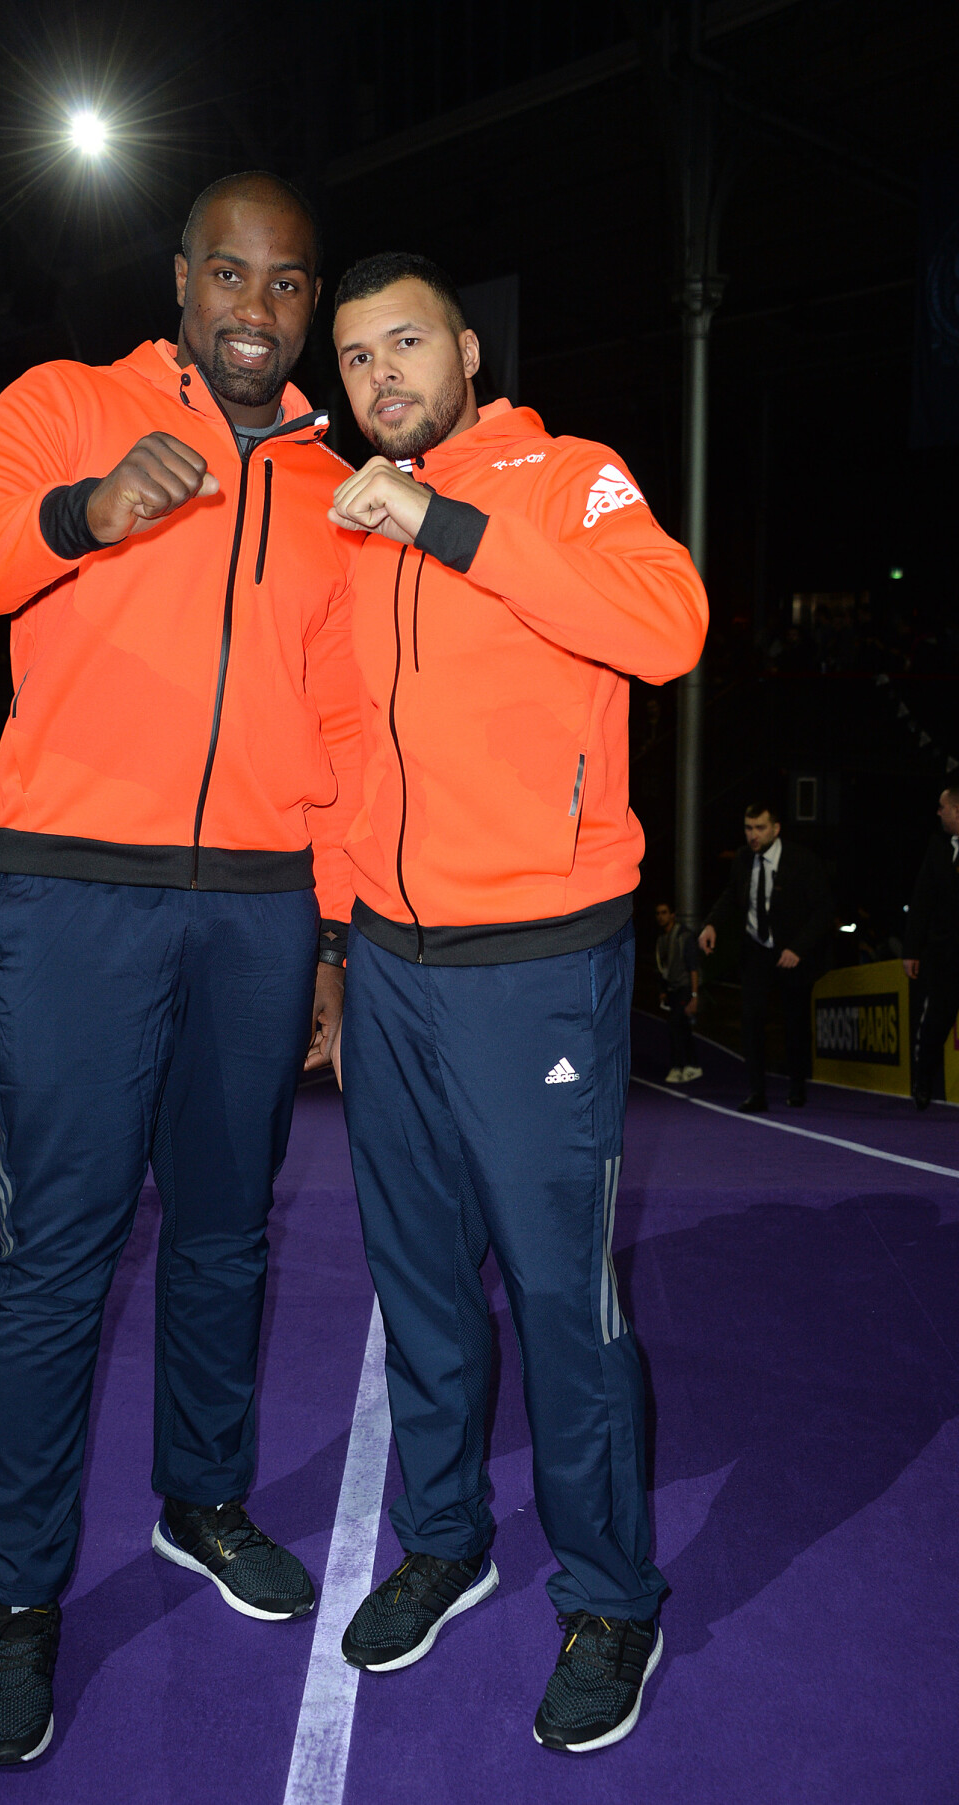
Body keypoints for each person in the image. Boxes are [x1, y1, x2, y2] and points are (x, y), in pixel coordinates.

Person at [0, 171, 360, 1768]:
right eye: (228, 274)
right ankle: (19, 1599)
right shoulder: (65, 405)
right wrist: (74, 518)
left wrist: (338, 936)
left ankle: (202, 1502)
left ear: (311, 305)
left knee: (229, 1233)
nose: (255, 308)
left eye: (287, 285)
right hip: (76, 898)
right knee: (60, 1258)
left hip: (261, 905)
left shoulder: (331, 485)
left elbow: (349, 724)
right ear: (179, 280)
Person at [327, 253, 707, 1753]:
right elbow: (354, 748)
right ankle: (445, 1539)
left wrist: (455, 523)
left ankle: (612, 1594)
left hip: (542, 965)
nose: (379, 378)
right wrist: (337, 949)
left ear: (469, 349)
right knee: (418, 1284)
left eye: (406, 343)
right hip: (392, 964)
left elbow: (666, 628)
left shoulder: (568, 475)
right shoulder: (354, 533)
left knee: (563, 1301)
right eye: (355, 358)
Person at [698, 802, 832, 1111]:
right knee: (752, 1021)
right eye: (748, 828)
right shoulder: (743, 859)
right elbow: (732, 894)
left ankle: (797, 1087)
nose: (753, 835)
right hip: (756, 951)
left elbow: (823, 910)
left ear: (775, 829)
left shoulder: (802, 860)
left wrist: (798, 948)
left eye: (759, 828)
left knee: (795, 1023)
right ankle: (756, 1092)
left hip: (791, 953)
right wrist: (711, 924)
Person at [903, 783, 959, 1108]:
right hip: (944, 957)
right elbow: (921, 901)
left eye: (942, 806)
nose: (937, 812)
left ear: (956, 809)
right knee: (935, 1024)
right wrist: (910, 950)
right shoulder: (937, 848)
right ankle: (922, 1082)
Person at [654, 900, 702, 1081]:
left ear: (672, 914)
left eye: (664, 912)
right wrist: (663, 991)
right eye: (658, 913)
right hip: (672, 990)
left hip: (684, 989)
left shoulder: (684, 936)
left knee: (675, 1027)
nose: (661, 917)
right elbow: (663, 968)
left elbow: (693, 968)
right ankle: (692, 1065)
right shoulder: (661, 939)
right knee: (682, 1028)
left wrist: (694, 995)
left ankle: (679, 1066)